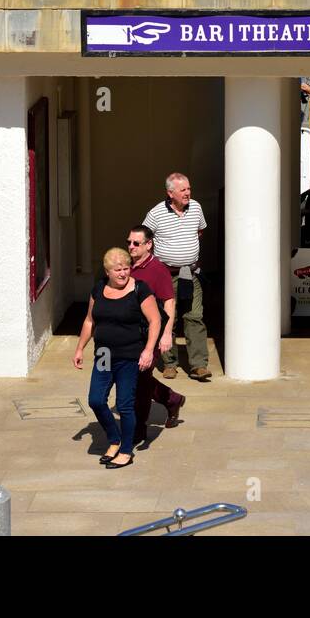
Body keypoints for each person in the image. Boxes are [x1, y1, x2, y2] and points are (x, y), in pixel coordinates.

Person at [73, 248, 160, 469]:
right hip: (103, 354)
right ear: (107, 271)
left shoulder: (140, 289)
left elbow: (155, 321)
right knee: (96, 400)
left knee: (124, 404)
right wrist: (80, 348)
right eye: (117, 270)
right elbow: (89, 321)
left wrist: (148, 350)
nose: (123, 273)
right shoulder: (99, 288)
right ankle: (114, 438)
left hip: (129, 357)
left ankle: (125, 451)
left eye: (126, 268)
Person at [143, 173, 211, 381]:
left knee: (194, 317)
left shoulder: (196, 208)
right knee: (167, 320)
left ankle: (199, 365)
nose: (188, 193)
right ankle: (169, 363)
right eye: (183, 190)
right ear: (170, 193)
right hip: (165, 275)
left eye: (189, 189)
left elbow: (200, 231)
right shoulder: (156, 213)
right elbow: (144, 239)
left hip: (190, 274)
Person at [127, 226, 186, 444]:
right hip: (131, 334)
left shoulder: (158, 270)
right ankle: (172, 399)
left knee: (140, 380)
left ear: (148, 244)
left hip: (152, 333)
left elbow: (169, 302)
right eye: (129, 242)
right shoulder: (128, 267)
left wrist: (167, 333)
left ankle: (139, 428)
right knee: (136, 378)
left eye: (136, 243)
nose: (131, 247)